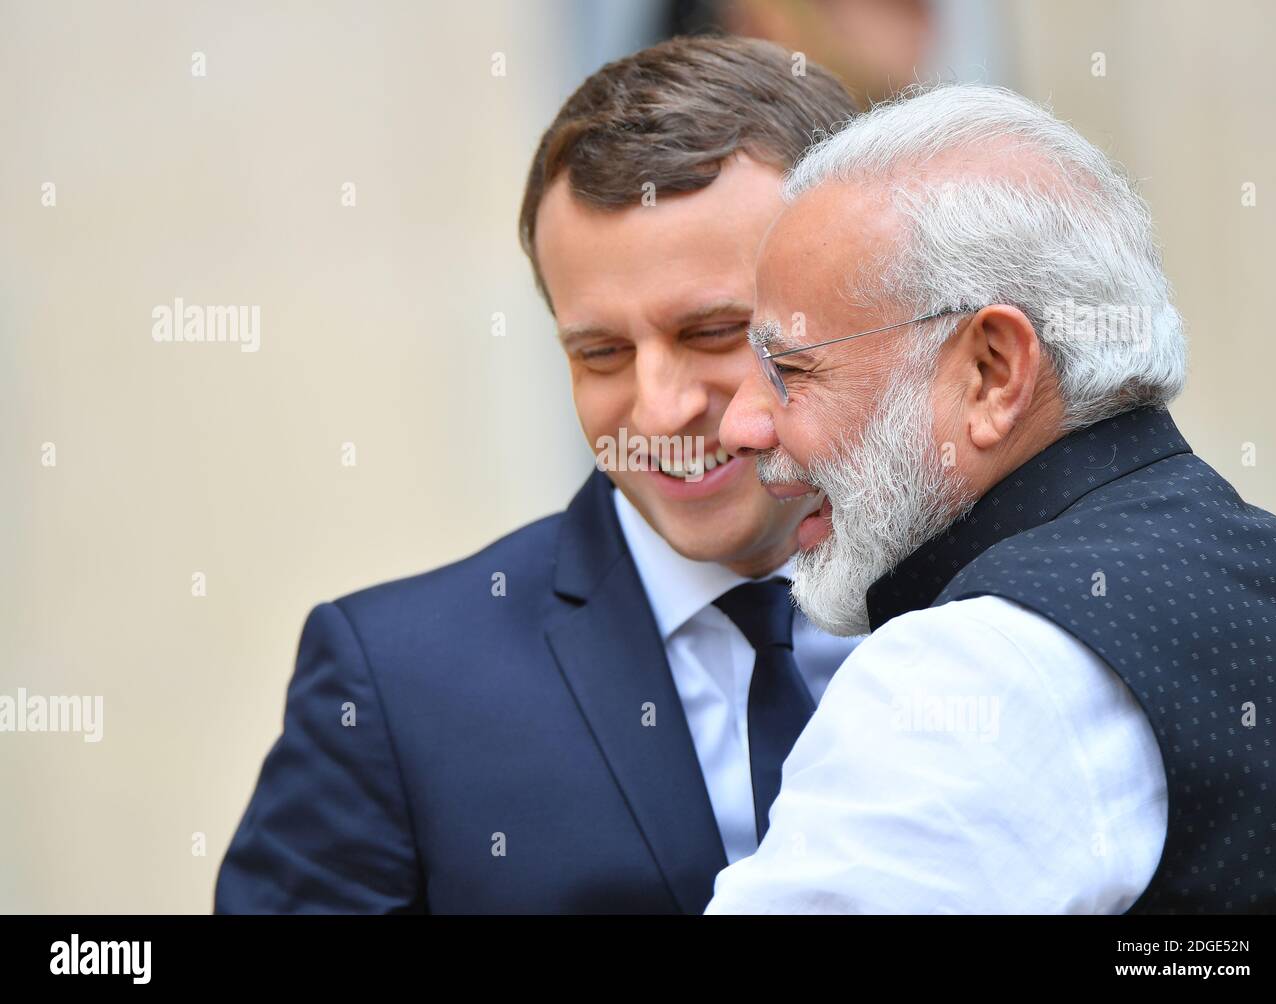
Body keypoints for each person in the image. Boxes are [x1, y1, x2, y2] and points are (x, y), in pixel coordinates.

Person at [215, 36, 860, 914]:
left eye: (713, 332)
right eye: (599, 353)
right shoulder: (397, 683)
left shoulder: (1003, 598)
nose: (659, 409)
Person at [707, 83, 1276, 914]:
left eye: (791, 371)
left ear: (992, 373)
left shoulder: (969, 672)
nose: (741, 424)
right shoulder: (1263, 561)